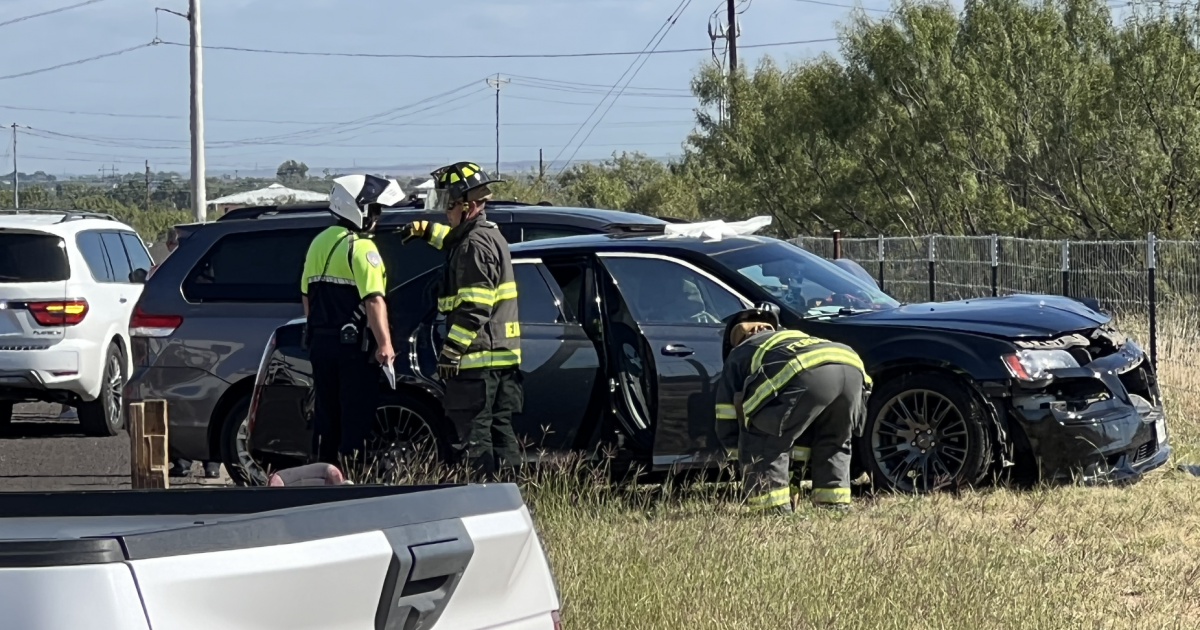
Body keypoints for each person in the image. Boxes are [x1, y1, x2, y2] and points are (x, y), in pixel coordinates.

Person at [401, 162, 522, 477]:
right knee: (500, 435)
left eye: (449, 204)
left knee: (475, 439)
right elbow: (453, 238)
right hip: (500, 361)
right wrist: (424, 230)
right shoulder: (488, 236)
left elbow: (474, 306)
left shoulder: (473, 246)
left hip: (477, 363)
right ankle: (510, 500)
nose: (445, 212)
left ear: (467, 205)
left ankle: (485, 504)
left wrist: (451, 351)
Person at [715, 304, 870, 513]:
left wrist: (739, 452)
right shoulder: (790, 337)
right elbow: (801, 427)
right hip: (851, 366)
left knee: (763, 437)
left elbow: (727, 413)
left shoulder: (740, 352)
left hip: (807, 369)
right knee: (834, 440)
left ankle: (772, 511)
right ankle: (834, 506)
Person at [300, 174, 402, 469]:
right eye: (374, 210)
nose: (377, 216)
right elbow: (373, 300)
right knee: (355, 413)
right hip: (352, 348)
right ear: (357, 210)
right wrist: (384, 344)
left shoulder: (319, 242)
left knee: (327, 413)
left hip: (321, 342)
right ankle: (351, 475)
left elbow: (307, 296)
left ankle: (324, 474)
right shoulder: (361, 247)